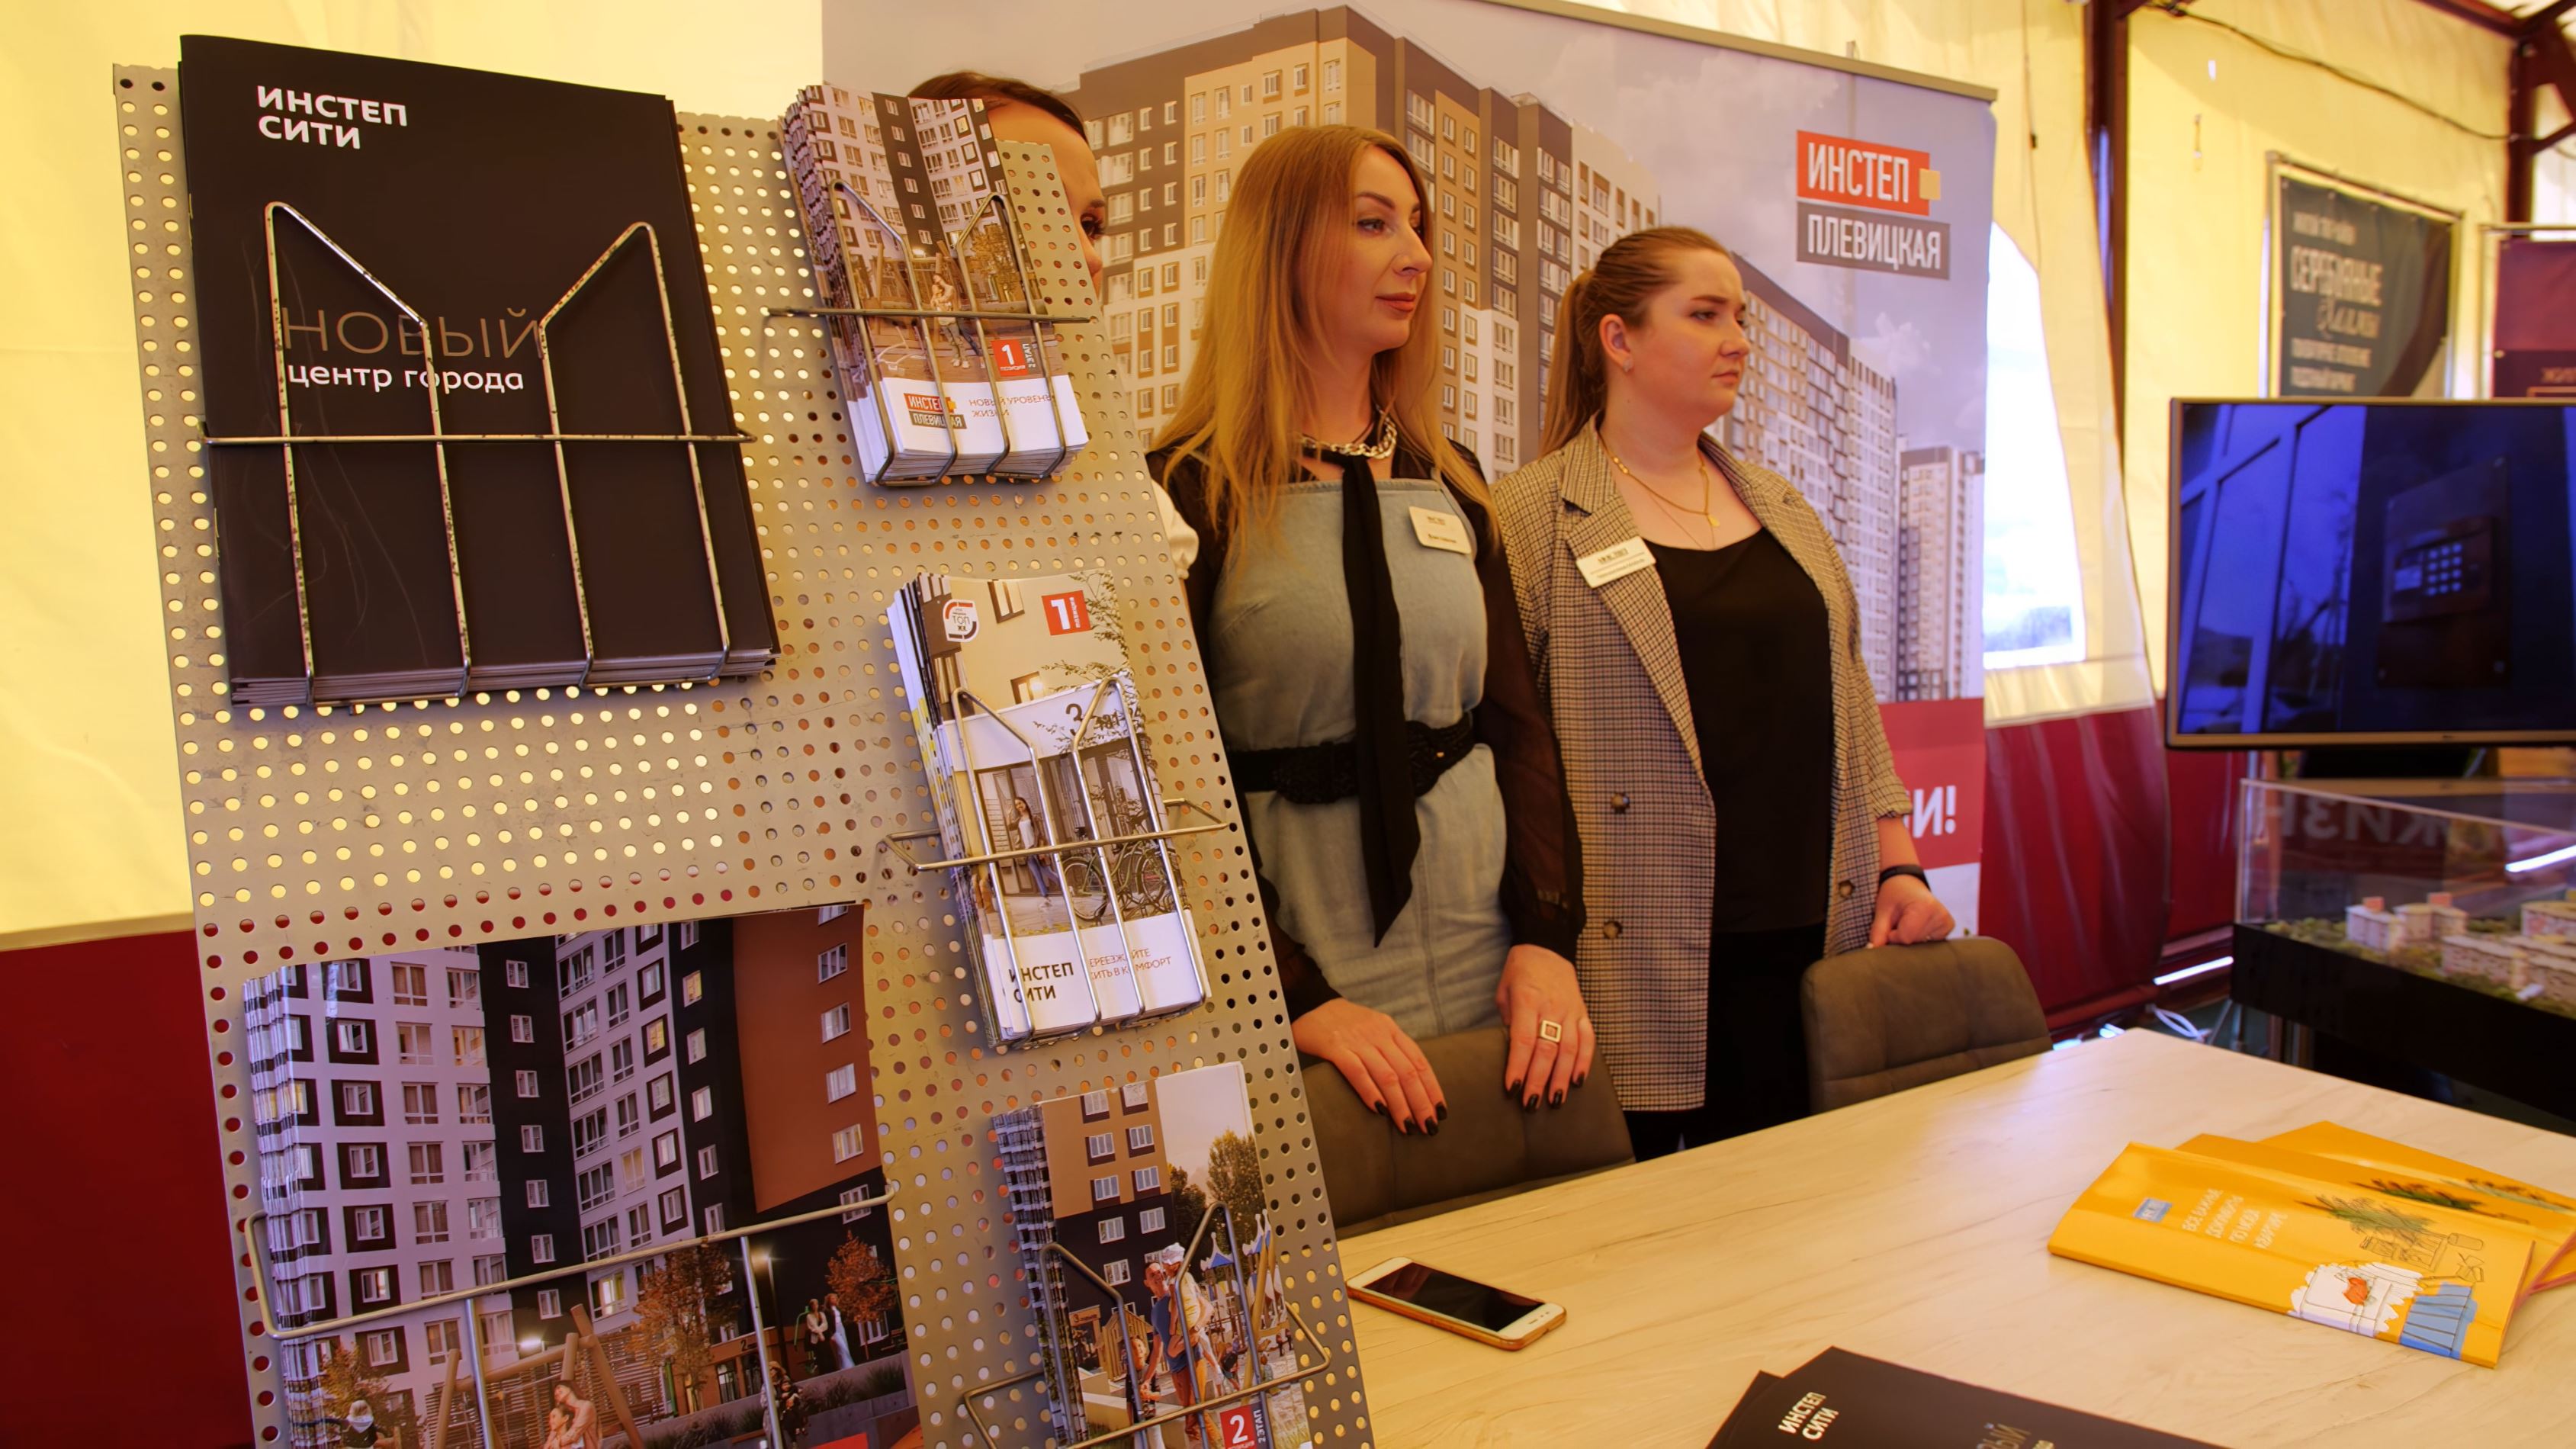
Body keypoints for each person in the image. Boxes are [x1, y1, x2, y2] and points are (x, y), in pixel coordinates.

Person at [1148, 124, 1589, 1133]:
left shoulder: (1453, 480)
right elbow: (1167, 786)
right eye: (1373, 223)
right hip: (1302, 981)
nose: (1418, 257)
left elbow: (1518, 729)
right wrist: (1290, 994)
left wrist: (1546, 937)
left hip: (1491, 973)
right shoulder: (1185, 492)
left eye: (1418, 226)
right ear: (1281, 246)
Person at [1492, 227, 1957, 1161]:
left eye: (1739, 316)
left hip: (1817, 940)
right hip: (1638, 956)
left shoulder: (1784, 508)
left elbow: (1850, 698)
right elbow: (1511, 755)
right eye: (1705, 315)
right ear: (1618, 340)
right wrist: (1534, 936)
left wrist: (1900, 868)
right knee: (1659, 1226)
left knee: (1807, 1211)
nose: (1738, 339)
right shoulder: (1530, 516)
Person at [908, 71, 1203, 573]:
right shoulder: (799, 474)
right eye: (1031, 208)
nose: (1089, 256)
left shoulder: (1132, 499)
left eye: (1090, 226)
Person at [1010, 795, 1058, 900]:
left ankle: (1066, 887)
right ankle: (1046, 898)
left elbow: (1041, 835)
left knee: (1048, 872)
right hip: (1027, 852)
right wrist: (1009, 814)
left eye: (1020, 803)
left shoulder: (1034, 818)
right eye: (1017, 805)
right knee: (1037, 876)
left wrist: (1041, 851)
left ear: (1025, 803)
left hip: (1036, 848)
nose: (1019, 806)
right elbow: (1010, 827)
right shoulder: (1019, 820)